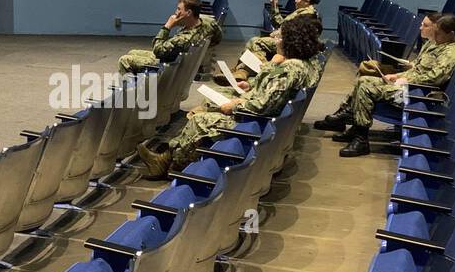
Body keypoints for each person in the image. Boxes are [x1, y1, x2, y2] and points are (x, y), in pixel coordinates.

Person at [134, 16, 320, 179]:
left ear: (291, 41)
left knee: (199, 121)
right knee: (211, 104)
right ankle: (171, 154)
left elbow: (263, 105)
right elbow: (273, 92)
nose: (276, 41)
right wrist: (252, 86)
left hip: (255, 124)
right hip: (266, 120)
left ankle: (170, 165)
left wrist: (236, 105)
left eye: (280, 37)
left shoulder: (289, 69)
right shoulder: (303, 65)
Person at [323, 13, 455, 158]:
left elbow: (435, 78)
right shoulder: (438, 44)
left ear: (451, 34)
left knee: (366, 88)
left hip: (417, 95)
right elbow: (417, 69)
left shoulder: (452, 52)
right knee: (364, 80)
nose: (435, 35)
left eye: (439, 32)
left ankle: (361, 139)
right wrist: (397, 76)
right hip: (409, 86)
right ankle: (356, 128)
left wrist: (406, 81)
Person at [118, 0, 219, 74]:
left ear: (188, 13)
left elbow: (157, 50)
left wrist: (168, 26)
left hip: (169, 66)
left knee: (124, 60)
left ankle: (133, 93)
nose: (176, 12)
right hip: (176, 59)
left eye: (179, 9)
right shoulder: (209, 22)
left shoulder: (183, 40)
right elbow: (218, 37)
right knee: (132, 52)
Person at [236, 0, 319, 79]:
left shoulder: (307, 15)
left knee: (256, 42)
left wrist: (278, 34)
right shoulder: (301, 12)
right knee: (255, 42)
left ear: (307, 1)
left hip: (290, 44)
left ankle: (260, 70)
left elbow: (295, 33)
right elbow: (282, 24)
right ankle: (243, 70)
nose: (295, 1)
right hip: (286, 40)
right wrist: (274, 6)